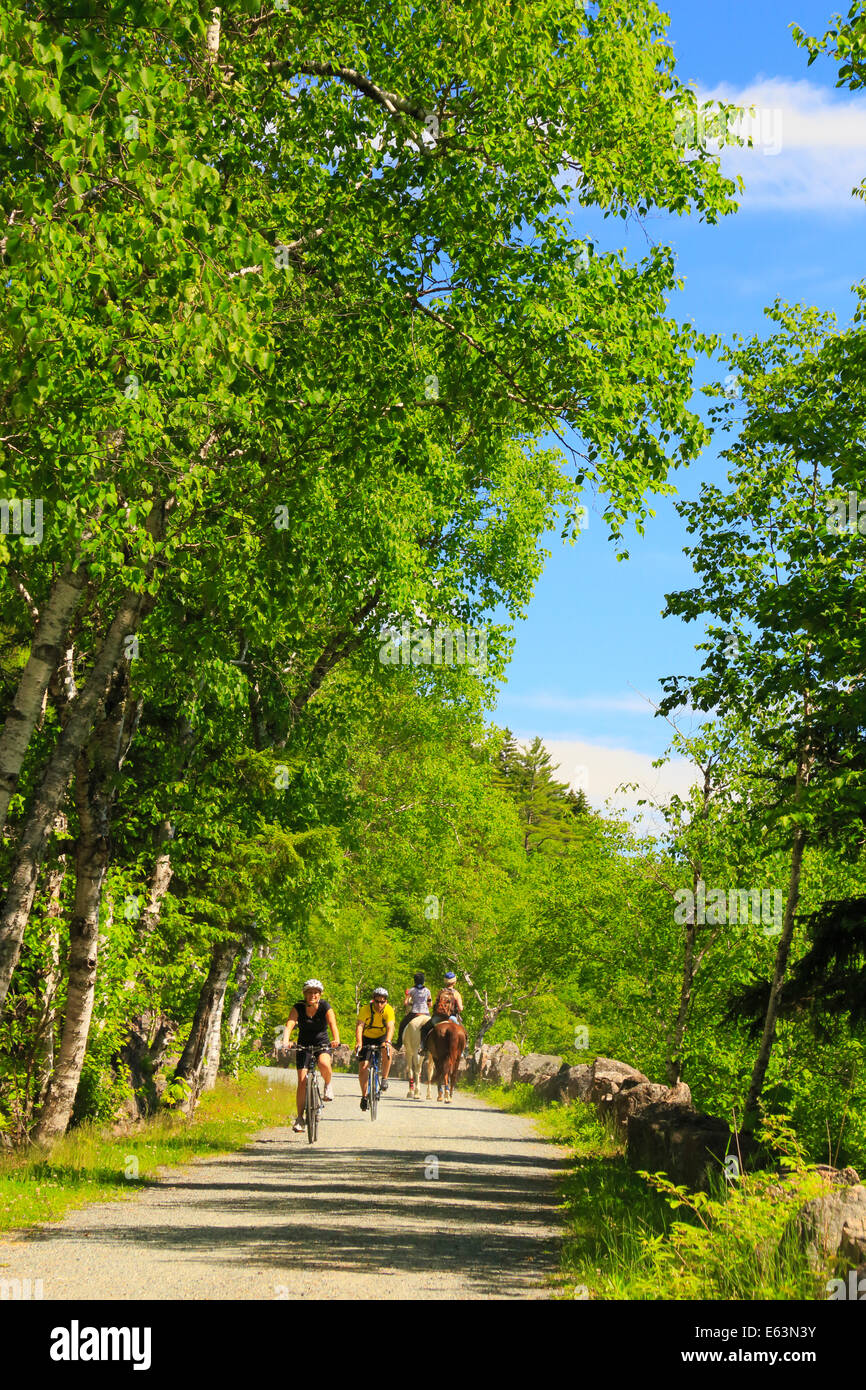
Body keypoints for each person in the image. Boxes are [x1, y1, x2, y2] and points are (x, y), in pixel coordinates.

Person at [281, 979, 340, 1133]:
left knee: (324, 1063)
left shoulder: (325, 1006)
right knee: (301, 1081)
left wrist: (336, 1039)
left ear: (320, 995)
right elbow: (290, 1024)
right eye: (309, 992)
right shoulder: (298, 1008)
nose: (312, 995)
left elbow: (333, 1024)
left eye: (315, 992)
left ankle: (328, 1085)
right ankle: (300, 1118)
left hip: (322, 1043)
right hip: (303, 1045)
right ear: (304, 994)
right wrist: (285, 1041)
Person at [354, 987, 395, 1110]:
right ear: (373, 1000)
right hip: (366, 1037)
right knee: (363, 1067)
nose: (379, 1004)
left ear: (386, 1001)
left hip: (381, 1037)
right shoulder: (365, 1009)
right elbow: (360, 1026)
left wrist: (387, 1041)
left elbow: (390, 1027)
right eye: (377, 1001)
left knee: (387, 1049)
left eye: (382, 1002)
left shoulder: (389, 1010)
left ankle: (385, 1079)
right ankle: (364, 1096)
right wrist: (359, 1042)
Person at [418, 972, 463, 1054]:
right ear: (454, 982)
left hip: (437, 1018)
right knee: (463, 1032)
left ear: (445, 982)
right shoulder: (456, 994)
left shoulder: (440, 992)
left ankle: (423, 1048)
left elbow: (435, 1005)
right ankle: (462, 1051)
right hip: (451, 1018)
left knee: (424, 1029)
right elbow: (460, 1008)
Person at [395, 971, 432, 1050]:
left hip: (415, 1013)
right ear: (423, 981)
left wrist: (411, 1003)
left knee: (402, 1024)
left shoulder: (411, 990)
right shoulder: (427, 991)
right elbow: (430, 1004)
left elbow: (405, 1003)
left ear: (415, 980)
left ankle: (399, 1044)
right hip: (426, 1013)